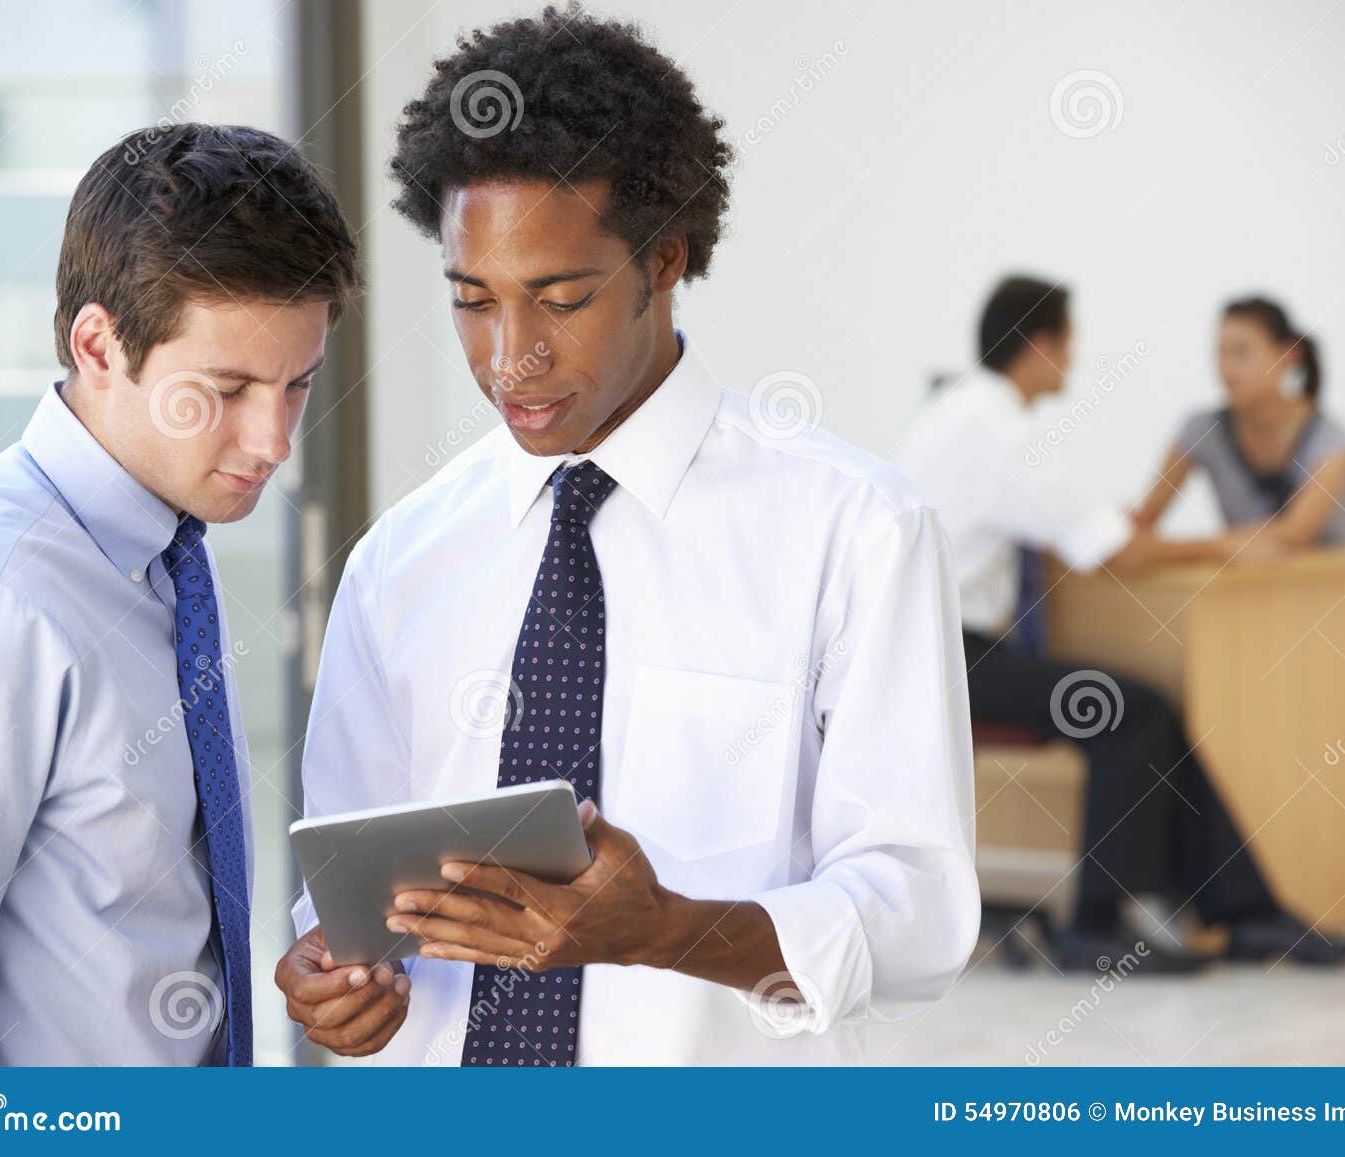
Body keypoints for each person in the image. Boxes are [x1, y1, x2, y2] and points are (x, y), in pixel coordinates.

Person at [275, 6, 979, 1066]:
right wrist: (333, 974)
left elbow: (917, 911)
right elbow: (348, 894)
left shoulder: (852, 530)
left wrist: (668, 931)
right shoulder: (400, 560)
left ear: (663, 261)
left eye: (559, 298)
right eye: (473, 301)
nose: (510, 356)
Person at [0, 124, 362, 1065]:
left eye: (296, 386)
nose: (276, 440)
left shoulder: (167, 562)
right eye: (228, 388)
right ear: (99, 343)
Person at [893, 275, 1345, 972]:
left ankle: (1248, 914)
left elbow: (1089, 527)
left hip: (935, 652)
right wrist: (1220, 542)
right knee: (1132, 712)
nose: (1075, 358)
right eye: (1071, 342)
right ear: (1042, 345)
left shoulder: (959, 411)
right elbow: (1113, 544)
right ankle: (1096, 924)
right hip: (946, 660)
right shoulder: (997, 427)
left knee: (1152, 711)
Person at [1132, 296, 1345, 546]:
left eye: (1241, 353)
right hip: (1245, 584)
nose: (1226, 370)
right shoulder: (1203, 429)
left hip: (1326, 582)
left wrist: (1165, 551)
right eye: (1221, 353)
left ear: (1289, 355)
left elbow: (1290, 537)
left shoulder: (1330, 439)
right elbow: (1145, 518)